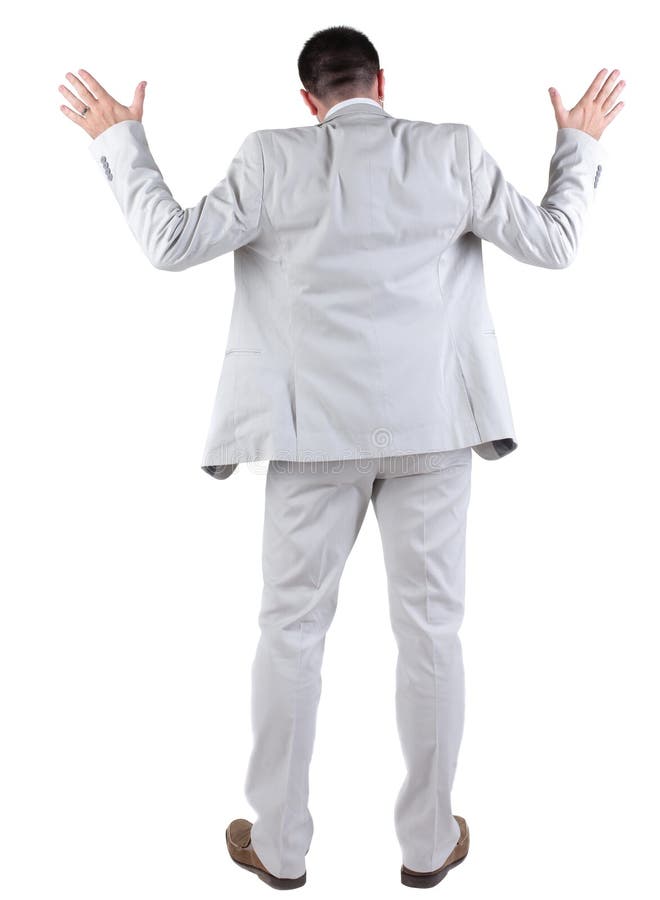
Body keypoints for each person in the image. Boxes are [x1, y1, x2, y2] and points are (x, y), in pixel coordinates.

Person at [59, 25, 624, 891]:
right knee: (432, 635)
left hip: (308, 439)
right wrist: (578, 145)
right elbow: (554, 242)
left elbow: (170, 244)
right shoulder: (452, 151)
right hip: (435, 435)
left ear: (307, 99)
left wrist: (118, 141)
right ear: (381, 83)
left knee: (290, 636)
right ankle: (429, 847)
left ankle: (281, 850)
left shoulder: (270, 158)